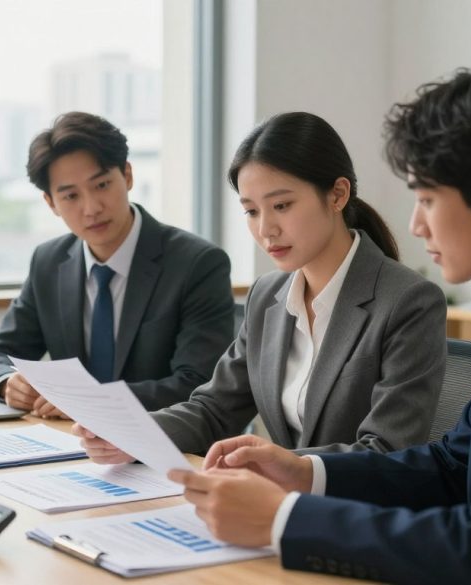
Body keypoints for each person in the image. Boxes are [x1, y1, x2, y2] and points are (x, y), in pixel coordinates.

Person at [167, 64, 471, 584]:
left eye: (426, 198)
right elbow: (451, 465)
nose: (416, 224)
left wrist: (282, 519)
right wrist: (303, 472)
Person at [75, 112, 446, 460]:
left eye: (282, 205)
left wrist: (276, 465)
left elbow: (387, 449)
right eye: (252, 211)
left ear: (337, 194)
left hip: (355, 515)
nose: (265, 229)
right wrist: (132, 432)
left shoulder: (408, 300)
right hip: (278, 504)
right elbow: (214, 409)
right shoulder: (268, 295)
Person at [0, 112, 235, 417]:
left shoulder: (197, 264)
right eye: (70, 195)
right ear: (50, 204)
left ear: (127, 176)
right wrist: (7, 382)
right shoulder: (49, 262)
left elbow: (197, 383)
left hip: (164, 445)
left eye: (101, 185)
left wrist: (90, 401)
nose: (91, 208)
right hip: (70, 443)